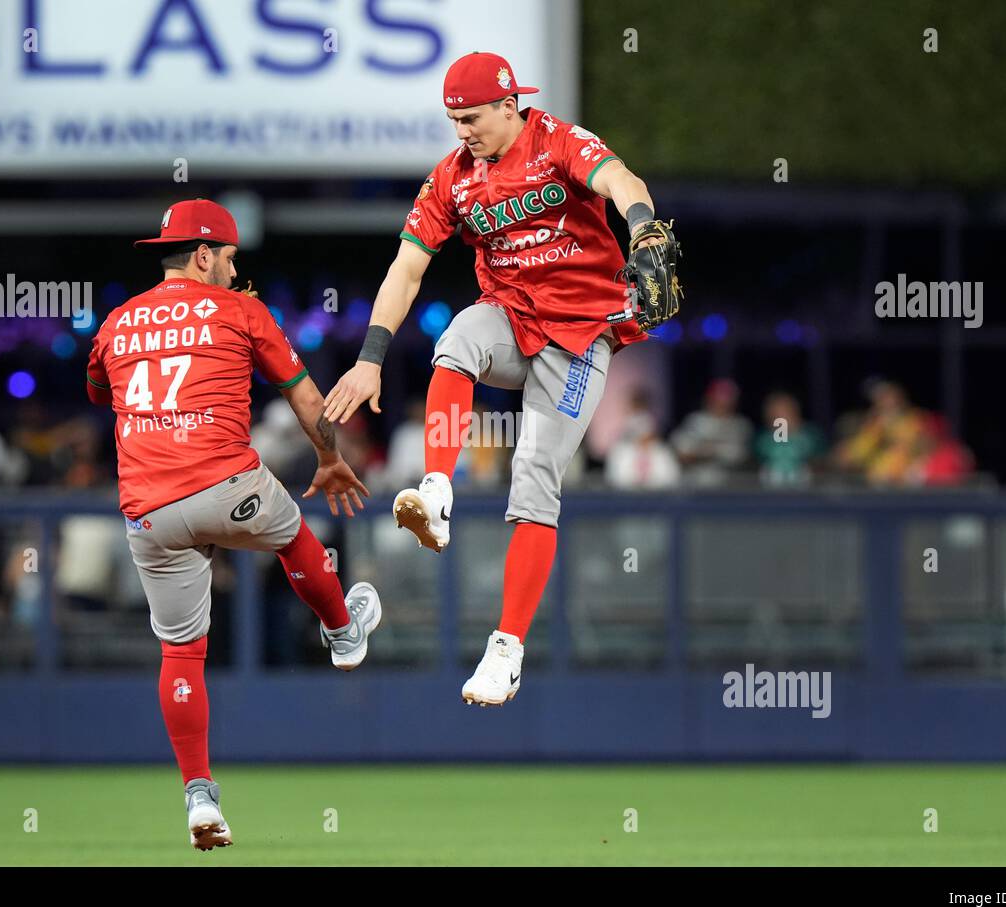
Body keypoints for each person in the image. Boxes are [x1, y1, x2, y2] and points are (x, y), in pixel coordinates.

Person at [322, 52, 679, 706]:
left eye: (473, 117)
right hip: (513, 322)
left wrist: (643, 229)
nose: (462, 130)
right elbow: (406, 270)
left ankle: (507, 648)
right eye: (453, 119)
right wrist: (371, 356)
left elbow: (620, 178)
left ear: (510, 104)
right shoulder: (454, 177)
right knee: (456, 337)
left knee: (534, 477)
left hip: (578, 337)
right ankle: (435, 490)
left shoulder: (556, 141)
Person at [85, 199, 381, 851]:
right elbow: (307, 399)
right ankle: (342, 631)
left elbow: (104, 394)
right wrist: (330, 459)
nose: (232, 266)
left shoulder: (115, 322)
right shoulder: (242, 311)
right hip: (224, 484)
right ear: (203, 255)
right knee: (296, 534)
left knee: (181, 652)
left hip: (149, 510)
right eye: (228, 256)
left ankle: (198, 794)